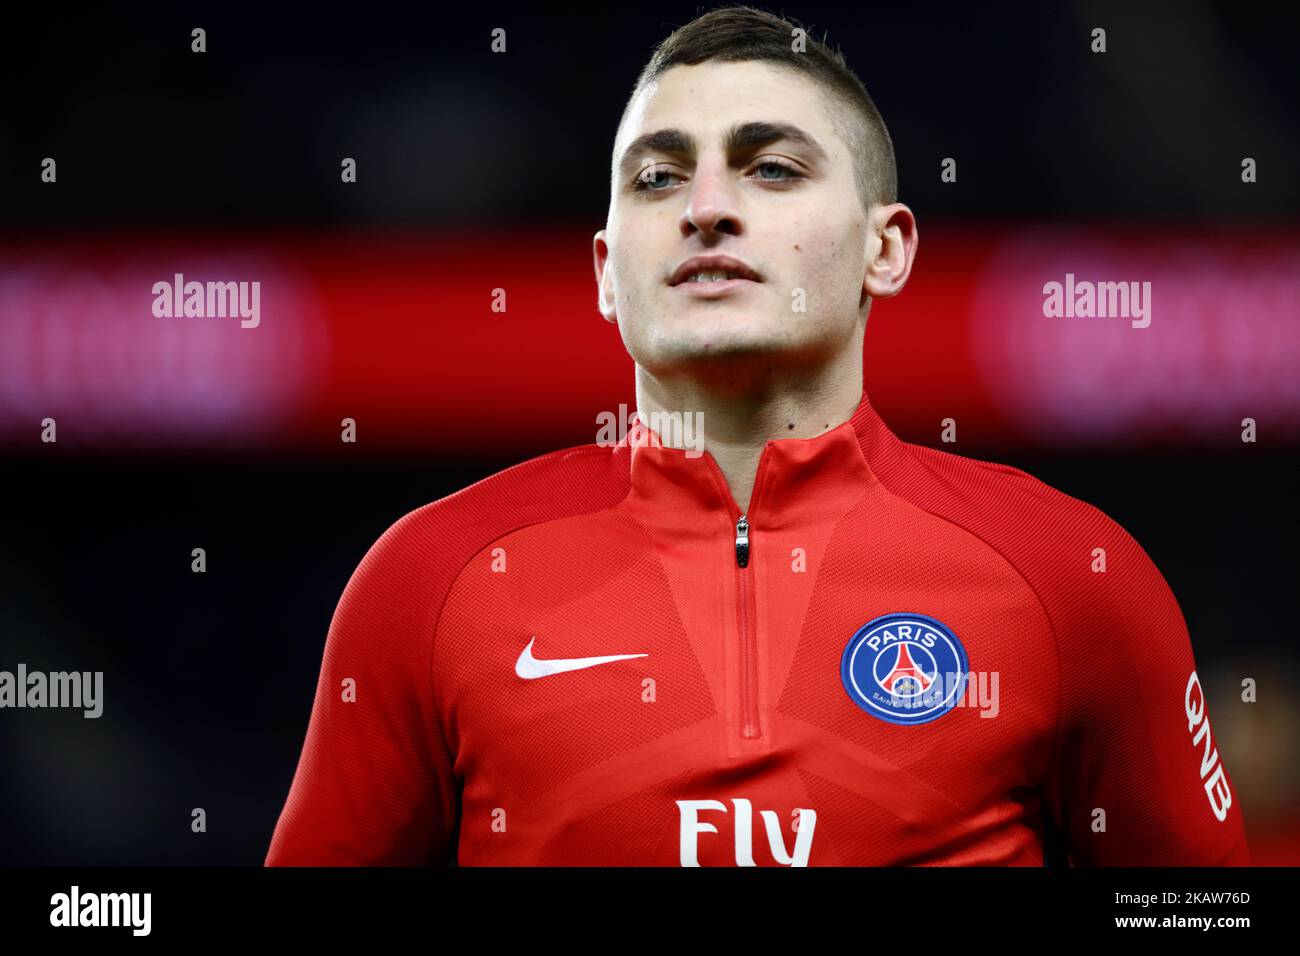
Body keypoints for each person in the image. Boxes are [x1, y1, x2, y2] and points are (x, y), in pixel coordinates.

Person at [266, 5, 1249, 866]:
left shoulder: (1071, 575)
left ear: (886, 247)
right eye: (656, 179)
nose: (704, 209)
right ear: (608, 272)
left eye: (770, 166)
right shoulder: (428, 582)